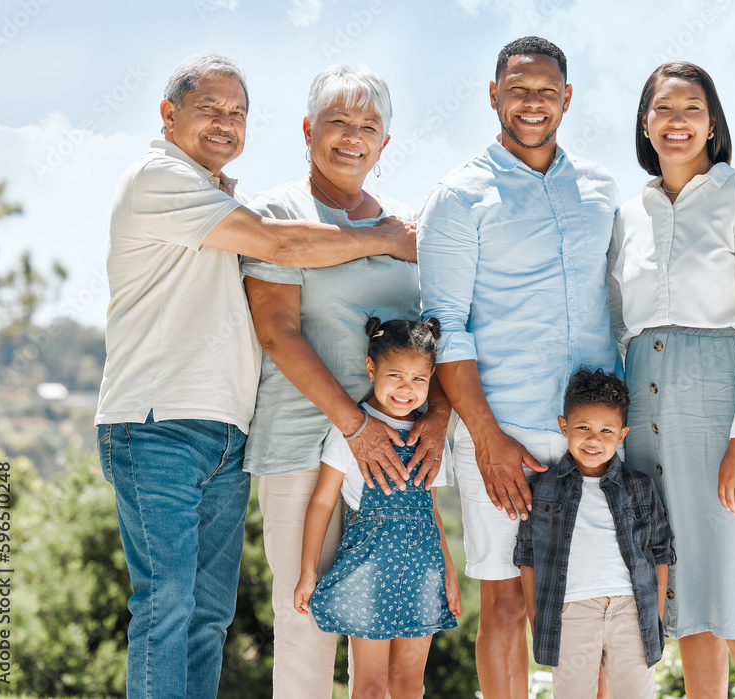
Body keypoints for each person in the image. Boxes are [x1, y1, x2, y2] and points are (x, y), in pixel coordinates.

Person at [94, 53, 415, 699]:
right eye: (208, 107)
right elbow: (283, 263)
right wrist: (381, 236)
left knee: (206, 615)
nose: (224, 123)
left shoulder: (223, 196)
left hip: (225, 433)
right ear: (168, 114)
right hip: (160, 424)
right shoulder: (162, 179)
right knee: (170, 607)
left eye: (236, 112)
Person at [417, 36, 621, 698]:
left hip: (590, 436)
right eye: (517, 88)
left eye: (545, 91)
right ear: (493, 94)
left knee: (590, 609)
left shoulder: (600, 188)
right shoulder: (458, 195)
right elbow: (445, 327)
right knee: (506, 605)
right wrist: (487, 438)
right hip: (501, 432)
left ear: (566, 98)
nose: (531, 103)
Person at [240, 63, 449, 698]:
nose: (353, 137)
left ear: (386, 143)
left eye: (369, 126)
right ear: (308, 130)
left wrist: (437, 417)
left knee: (380, 638)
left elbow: (437, 339)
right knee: (306, 631)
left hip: (398, 460)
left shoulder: (410, 226)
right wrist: (355, 425)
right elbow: (278, 332)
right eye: (337, 122)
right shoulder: (278, 211)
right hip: (306, 446)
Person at [608, 61, 735, 698]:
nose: (677, 121)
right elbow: (617, 323)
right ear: (644, 122)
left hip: (726, 411)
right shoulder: (628, 215)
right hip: (647, 413)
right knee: (679, 584)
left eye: (691, 108)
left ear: (712, 122)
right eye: (664, 109)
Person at [293, 317, 461, 699]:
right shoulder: (351, 430)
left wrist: (449, 573)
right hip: (367, 572)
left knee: (409, 686)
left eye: (419, 379)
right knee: (370, 687)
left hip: (423, 572)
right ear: (372, 368)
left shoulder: (432, 438)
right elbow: (322, 501)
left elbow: (430, 513)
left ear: (432, 378)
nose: (407, 389)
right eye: (395, 375)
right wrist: (307, 571)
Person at [514, 369, 674, 699]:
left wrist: (653, 619)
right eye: (583, 428)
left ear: (622, 434)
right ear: (564, 426)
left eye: (606, 430)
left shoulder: (639, 487)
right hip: (571, 612)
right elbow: (528, 557)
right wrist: (536, 618)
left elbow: (659, 553)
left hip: (632, 610)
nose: (593, 439)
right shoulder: (544, 488)